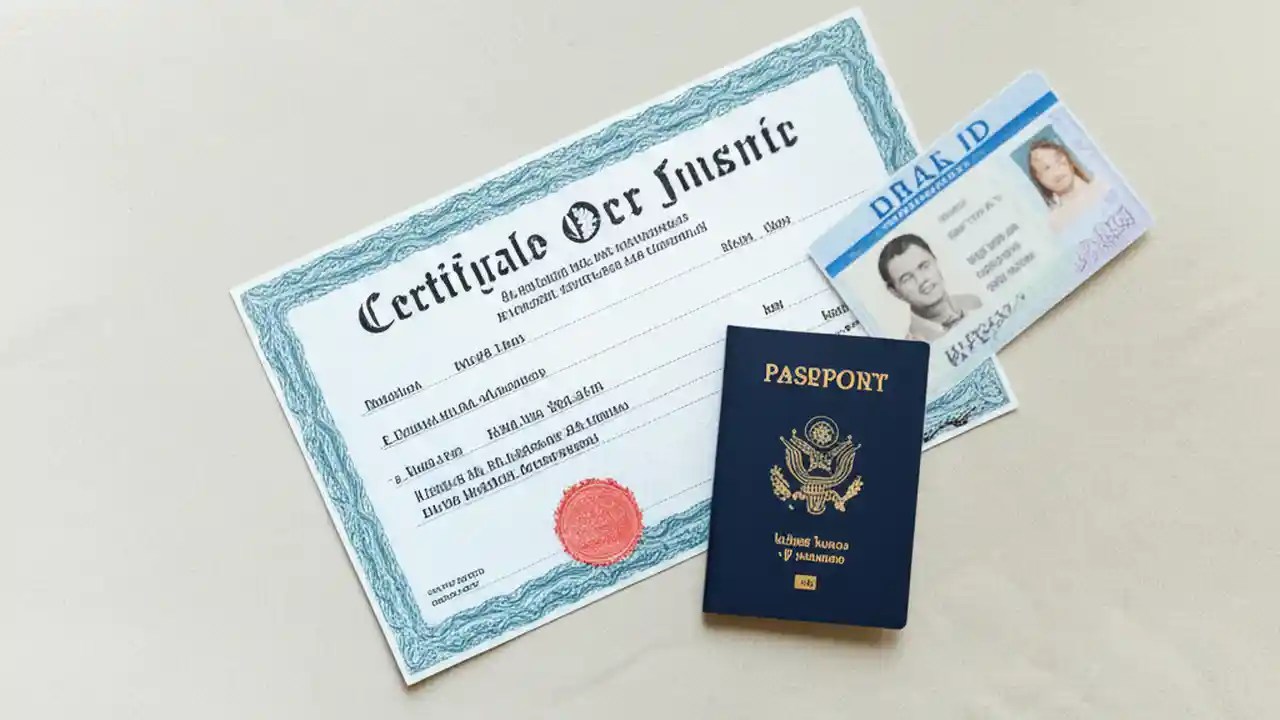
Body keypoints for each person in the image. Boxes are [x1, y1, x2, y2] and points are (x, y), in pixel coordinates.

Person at [877, 233, 982, 342]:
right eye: (907, 278)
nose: (922, 280)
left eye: (924, 266)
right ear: (894, 292)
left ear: (935, 260)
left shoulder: (973, 303)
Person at [1026, 138, 1108, 233]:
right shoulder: (1055, 222)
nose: (1055, 171)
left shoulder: (1103, 185)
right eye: (1046, 168)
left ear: (1068, 160)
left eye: (1058, 160)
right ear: (1039, 179)